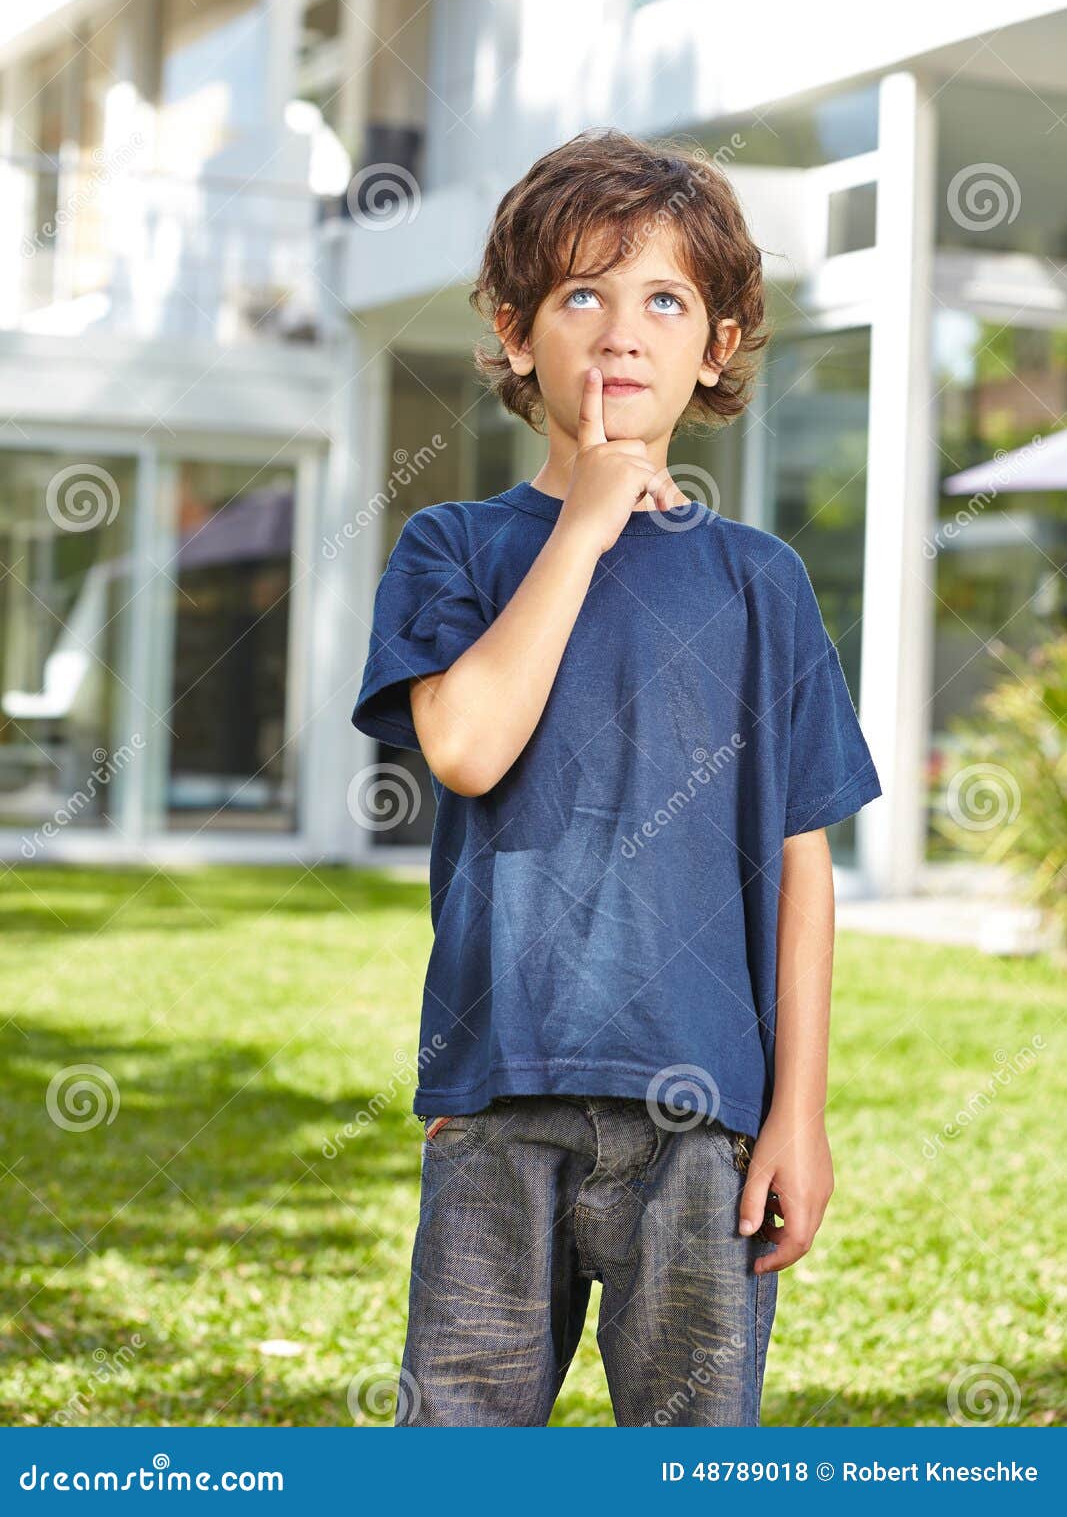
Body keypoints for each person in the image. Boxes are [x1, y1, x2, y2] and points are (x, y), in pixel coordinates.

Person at [351, 128, 882, 1427]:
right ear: (514, 330)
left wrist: (798, 1115)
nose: (621, 332)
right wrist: (586, 522)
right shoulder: (455, 547)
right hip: (496, 1099)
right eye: (582, 293)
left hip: (707, 1121)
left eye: (665, 299)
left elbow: (804, 867)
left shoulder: (761, 583)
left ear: (717, 344)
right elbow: (469, 744)